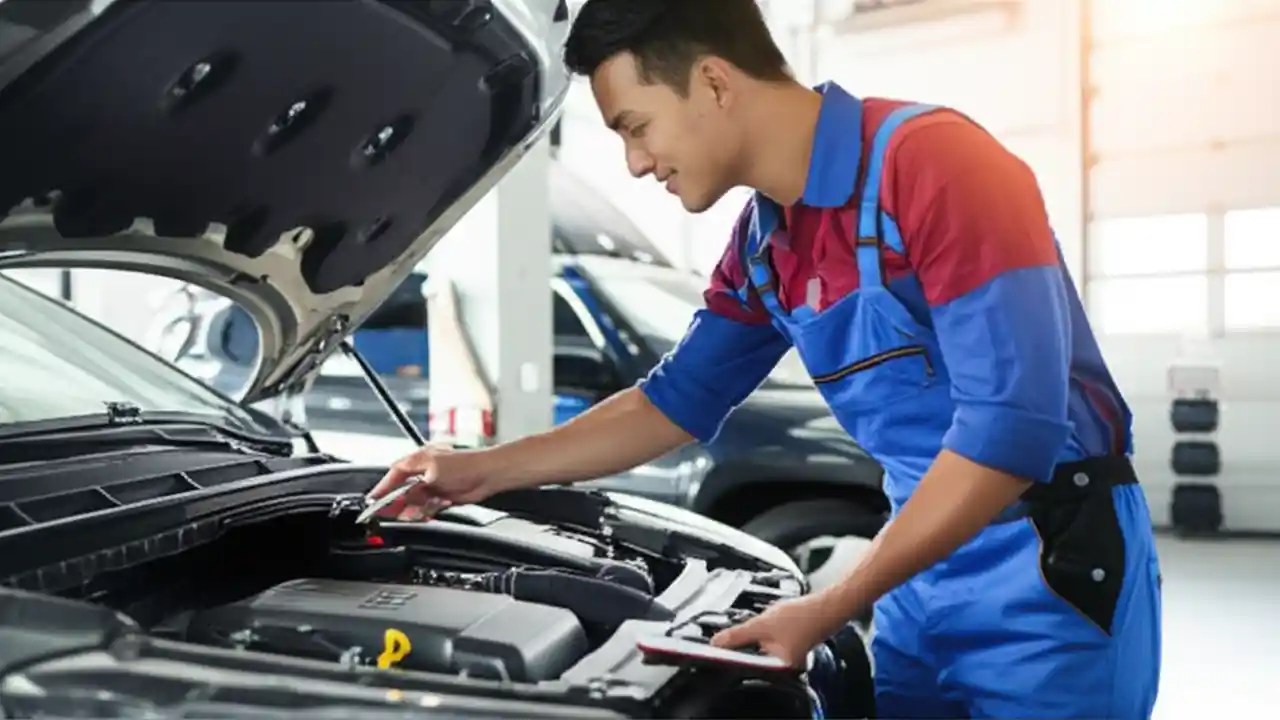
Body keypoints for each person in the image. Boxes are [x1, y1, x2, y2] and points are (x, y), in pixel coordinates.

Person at [367, 1, 1162, 717]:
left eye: (635, 127)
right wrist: (478, 471)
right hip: (917, 575)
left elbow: (1011, 432)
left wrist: (831, 603)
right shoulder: (764, 244)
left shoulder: (939, 166)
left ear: (713, 81)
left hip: (1050, 571)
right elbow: (671, 402)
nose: (637, 164)